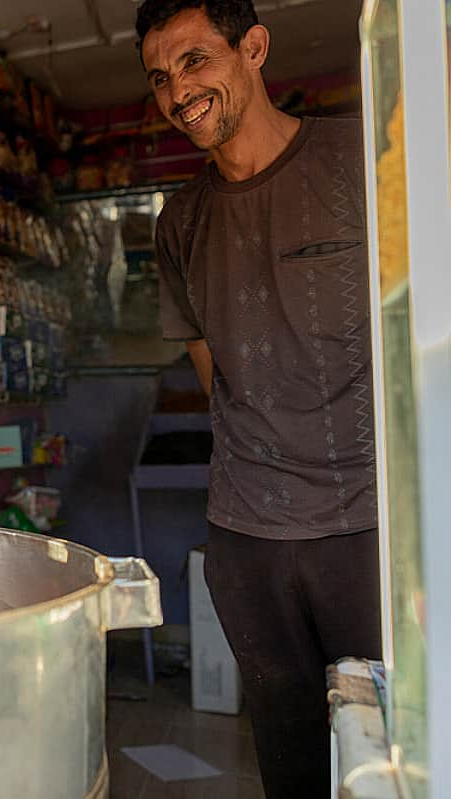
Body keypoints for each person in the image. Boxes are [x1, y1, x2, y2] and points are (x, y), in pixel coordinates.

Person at [134, 1, 381, 796]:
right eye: (161, 78)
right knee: (292, 760)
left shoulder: (362, 157)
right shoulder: (180, 222)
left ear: (255, 49)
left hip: (373, 524)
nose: (179, 90)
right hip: (248, 537)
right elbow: (216, 370)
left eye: (196, 60)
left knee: (394, 752)